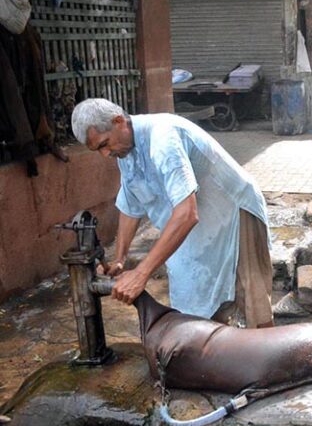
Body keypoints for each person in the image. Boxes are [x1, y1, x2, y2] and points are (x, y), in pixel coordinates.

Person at [70, 98, 273, 329]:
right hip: (199, 218)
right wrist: (120, 259)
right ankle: (219, 350)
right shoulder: (124, 152)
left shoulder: (162, 139)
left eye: (105, 144)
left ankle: (271, 358)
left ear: (119, 122)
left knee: (249, 293)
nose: (105, 154)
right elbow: (131, 204)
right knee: (195, 295)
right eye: (98, 149)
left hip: (233, 210)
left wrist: (141, 273)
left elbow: (187, 214)